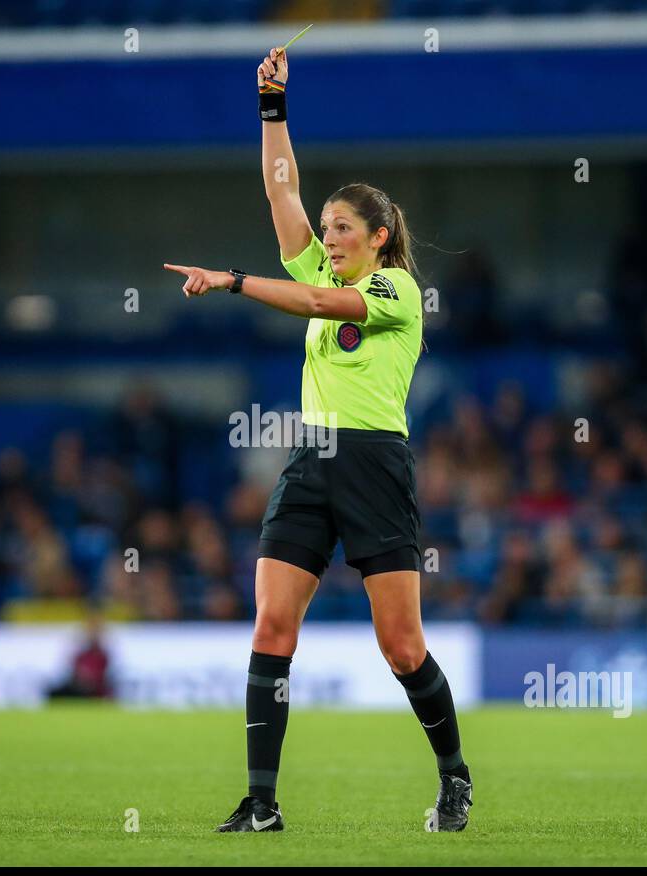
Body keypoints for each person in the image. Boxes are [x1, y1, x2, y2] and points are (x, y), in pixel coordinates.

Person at [163, 45, 472, 833]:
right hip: (313, 460)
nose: (327, 238)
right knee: (271, 625)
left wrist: (232, 281)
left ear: (377, 236)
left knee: (401, 646)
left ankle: (454, 776)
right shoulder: (328, 265)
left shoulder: (395, 289)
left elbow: (313, 304)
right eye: (326, 228)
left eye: (341, 230)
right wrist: (272, 106)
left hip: (373, 463)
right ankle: (262, 803)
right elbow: (282, 193)